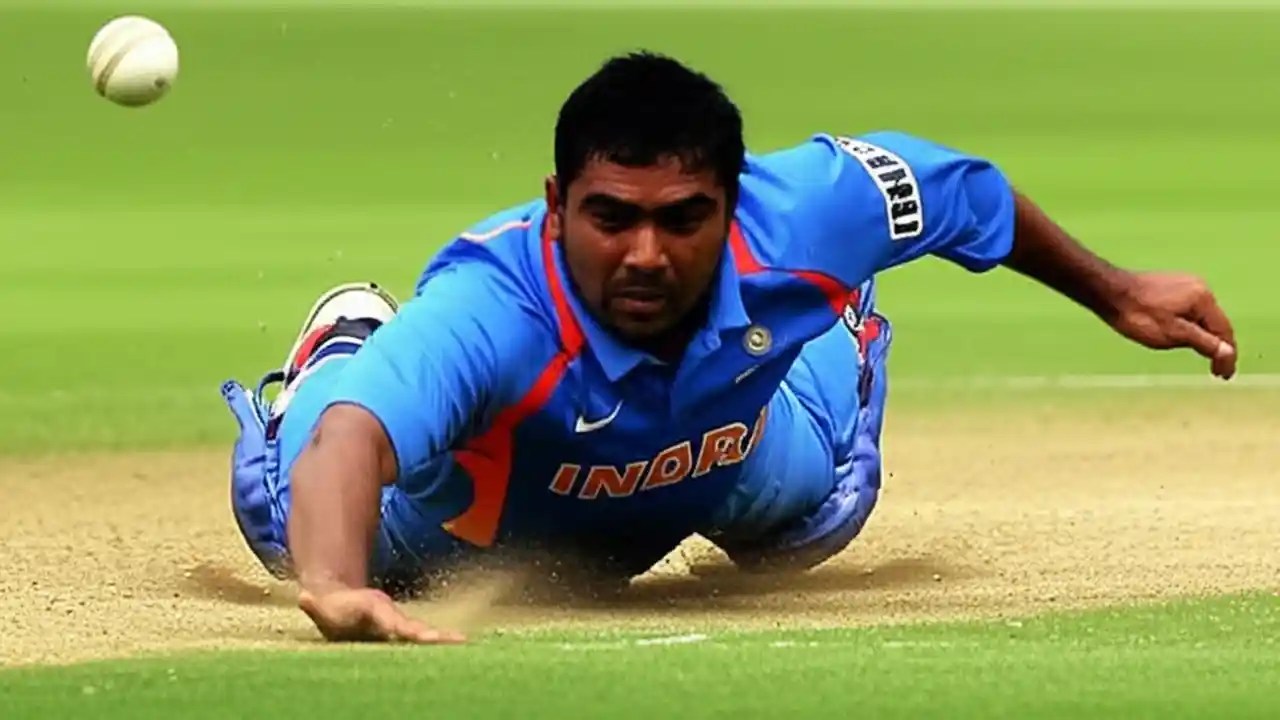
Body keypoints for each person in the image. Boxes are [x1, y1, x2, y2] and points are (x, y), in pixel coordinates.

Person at [220, 51, 1237, 644]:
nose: (646, 256)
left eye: (683, 218)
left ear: (733, 203)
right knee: (290, 506)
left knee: (820, 514)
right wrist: (342, 587)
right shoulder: (490, 310)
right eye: (610, 217)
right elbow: (352, 446)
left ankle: (821, 324)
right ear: (555, 206)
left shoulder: (804, 212)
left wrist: (1115, 291)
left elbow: (956, 190)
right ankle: (345, 334)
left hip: (720, 457)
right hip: (448, 529)